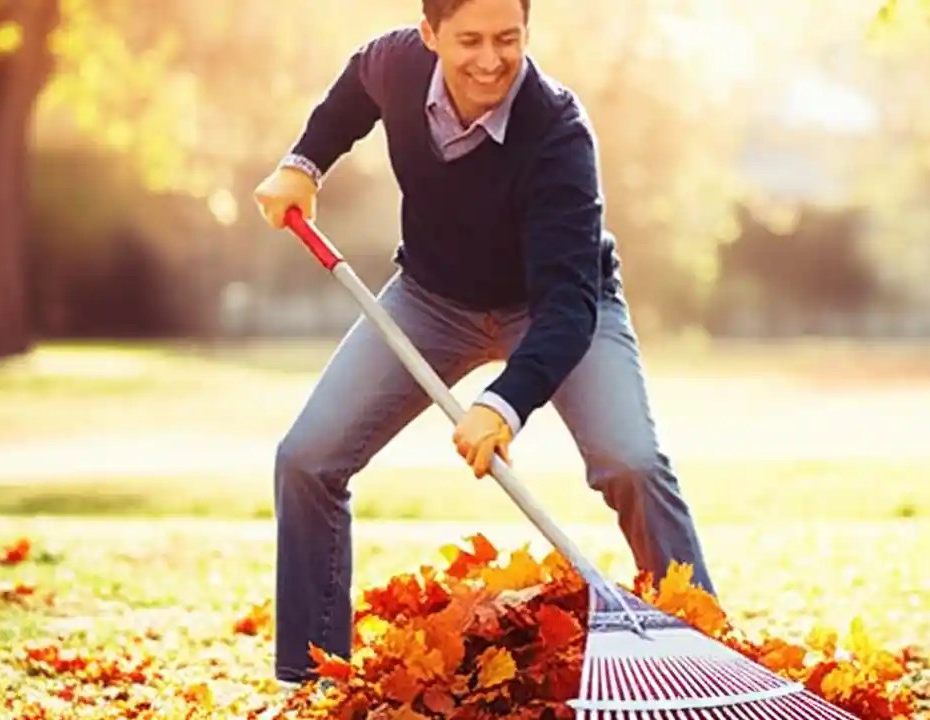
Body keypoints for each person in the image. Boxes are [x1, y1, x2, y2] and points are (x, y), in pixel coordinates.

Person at [252, 0, 716, 685]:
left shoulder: (557, 129)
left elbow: (568, 304)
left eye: (509, 38)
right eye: (469, 39)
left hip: (553, 308)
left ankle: (703, 651)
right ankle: (312, 676)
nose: (491, 59)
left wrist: (505, 403)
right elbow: (357, 85)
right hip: (432, 300)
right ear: (430, 34)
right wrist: (304, 163)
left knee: (632, 461)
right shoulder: (397, 63)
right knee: (307, 458)